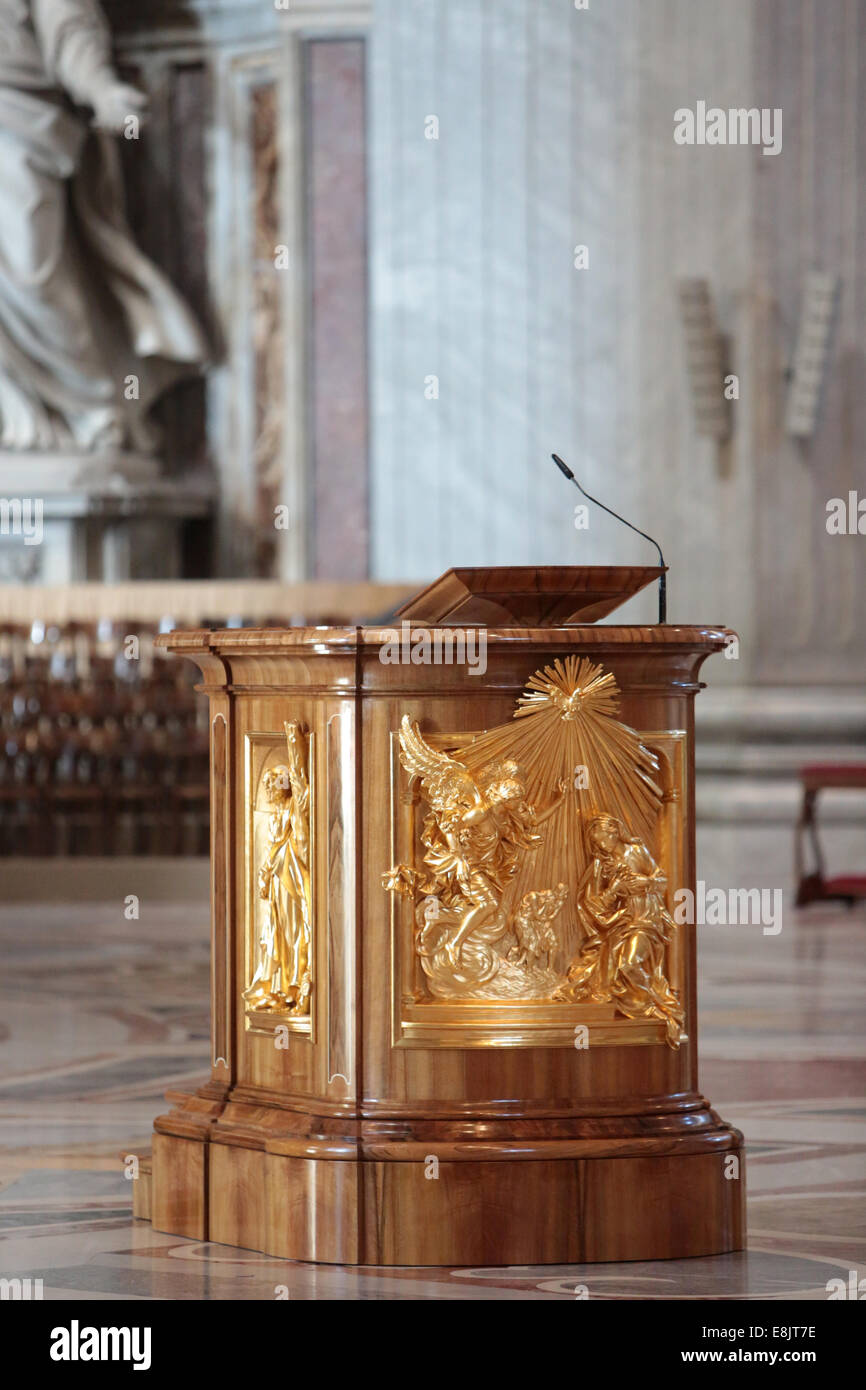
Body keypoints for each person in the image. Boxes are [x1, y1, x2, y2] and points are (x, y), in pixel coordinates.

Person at [0, 0, 208, 451]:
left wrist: (100, 88)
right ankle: (17, 416)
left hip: (15, 113)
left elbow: (66, 16)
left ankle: (94, 402)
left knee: (33, 271)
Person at [557, 812, 684, 1046]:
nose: (600, 845)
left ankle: (657, 1004)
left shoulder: (636, 851)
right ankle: (648, 1004)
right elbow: (595, 904)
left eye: (602, 839)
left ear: (614, 832)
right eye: (595, 842)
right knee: (616, 966)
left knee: (628, 963)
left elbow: (662, 881)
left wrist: (646, 882)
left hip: (647, 917)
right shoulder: (601, 865)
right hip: (622, 921)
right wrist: (614, 889)